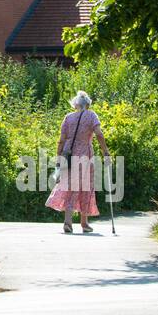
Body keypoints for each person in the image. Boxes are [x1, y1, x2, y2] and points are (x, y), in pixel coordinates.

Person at [45, 91, 109, 234]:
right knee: (86, 187)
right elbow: (99, 134)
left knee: (70, 186)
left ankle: (68, 222)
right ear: (87, 104)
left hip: (68, 154)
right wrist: (105, 151)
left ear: (75, 104)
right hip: (85, 154)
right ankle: (84, 223)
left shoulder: (68, 118)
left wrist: (58, 157)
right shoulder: (91, 115)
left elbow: (61, 139)